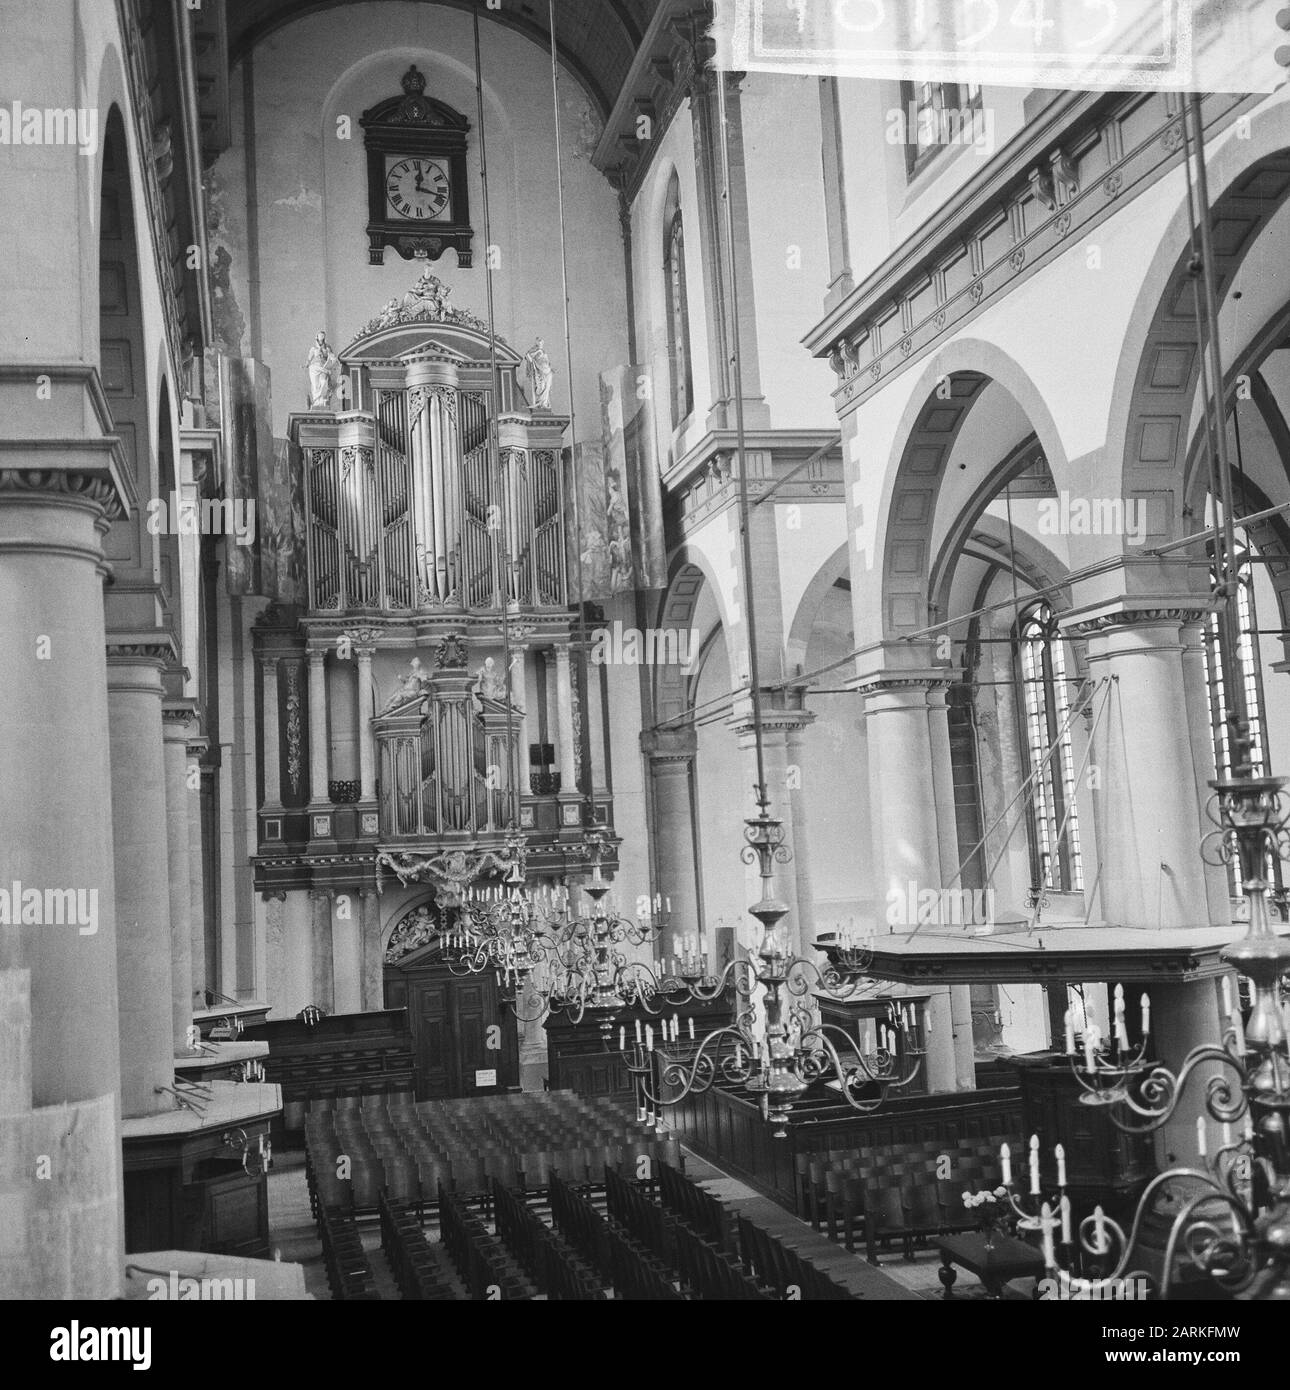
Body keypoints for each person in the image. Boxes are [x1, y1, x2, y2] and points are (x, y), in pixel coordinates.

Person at [305, 331, 340, 409]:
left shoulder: (327, 348)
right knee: (316, 386)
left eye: (322, 340)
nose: (321, 342)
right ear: (317, 339)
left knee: (324, 382)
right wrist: (306, 364)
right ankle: (317, 402)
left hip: (324, 367)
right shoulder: (313, 349)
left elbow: (332, 356)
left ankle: (323, 400)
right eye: (319, 340)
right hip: (315, 368)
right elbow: (309, 358)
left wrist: (334, 359)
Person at [524, 337, 553, 410]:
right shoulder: (536, 351)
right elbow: (528, 357)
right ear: (537, 344)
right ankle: (540, 403)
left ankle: (544, 403)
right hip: (539, 371)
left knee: (547, 387)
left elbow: (547, 362)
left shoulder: (543, 352)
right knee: (541, 387)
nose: (541, 344)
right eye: (539, 343)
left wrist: (549, 367)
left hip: (547, 371)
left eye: (542, 343)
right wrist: (531, 360)